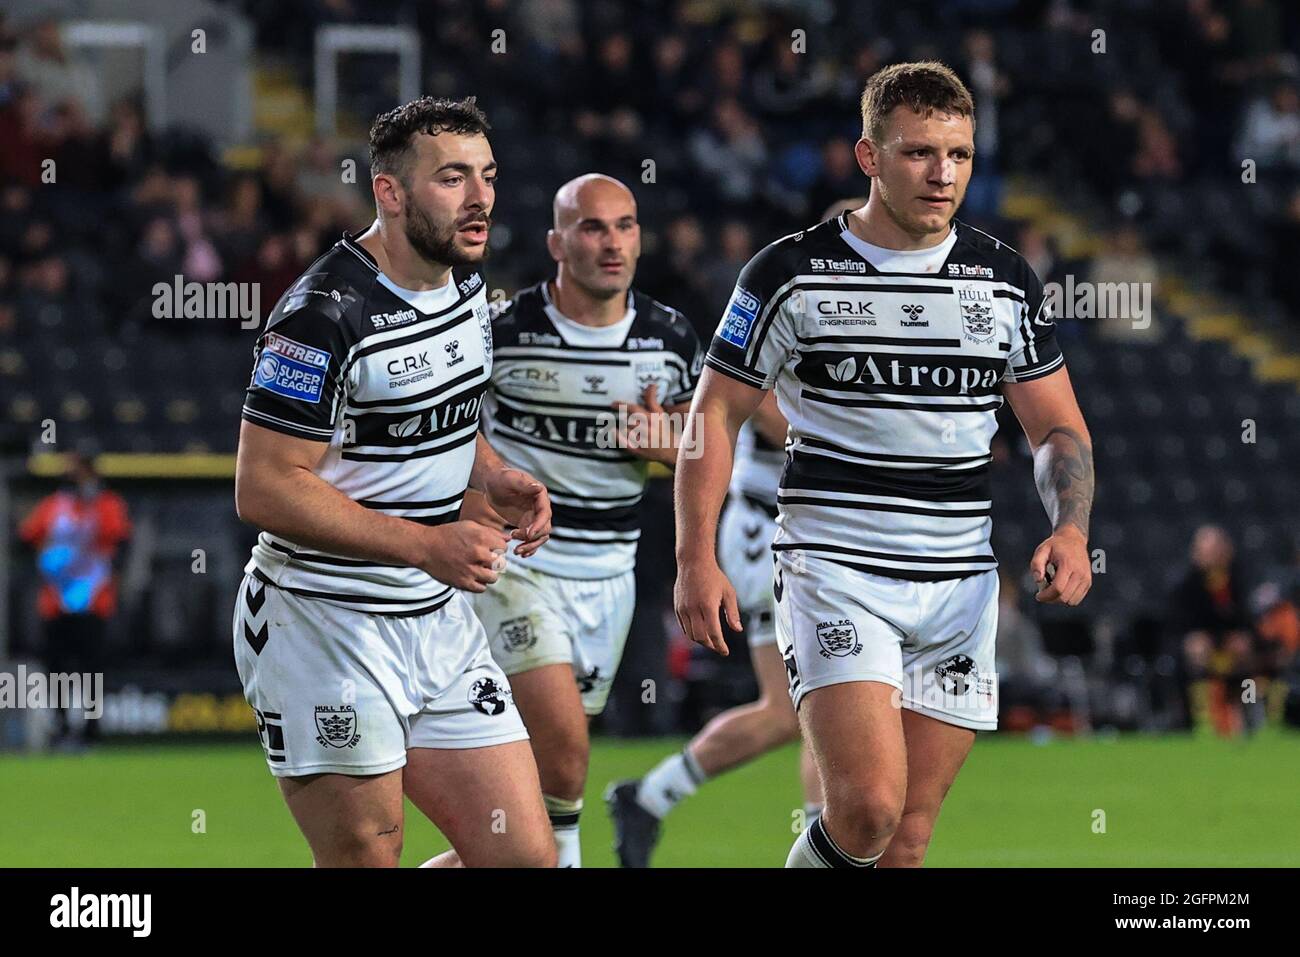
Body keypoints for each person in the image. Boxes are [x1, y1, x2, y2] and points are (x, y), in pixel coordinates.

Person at [673, 61, 1095, 868]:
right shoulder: (787, 272)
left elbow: (1057, 431)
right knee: (864, 808)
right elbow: (713, 413)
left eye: (959, 155)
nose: (943, 174)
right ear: (868, 157)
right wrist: (696, 555)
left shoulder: (1002, 281)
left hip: (959, 582)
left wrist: (1070, 527)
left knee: (905, 841)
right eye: (918, 153)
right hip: (837, 567)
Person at [232, 96, 555, 868]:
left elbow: (441, 413)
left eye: (488, 176)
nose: (480, 198)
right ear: (390, 192)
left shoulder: (466, 285)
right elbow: (266, 487)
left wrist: (495, 474)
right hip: (323, 625)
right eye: (452, 178)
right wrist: (425, 545)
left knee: (525, 858)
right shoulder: (321, 314)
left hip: (435, 621)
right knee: (367, 857)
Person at [458, 174, 703, 867]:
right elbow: (449, 429)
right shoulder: (503, 332)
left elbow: (708, 444)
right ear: (556, 242)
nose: (612, 242)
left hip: (609, 577)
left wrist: (666, 444)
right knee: (567, 753)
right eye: (592, 227)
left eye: (625, 226)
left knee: (532, 808)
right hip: (516, 567)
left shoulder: (668, 336)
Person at [606, 392, 824, 866]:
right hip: (774, 531)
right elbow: (774, 419)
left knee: (787, 711)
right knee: (826, 707)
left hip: (790, 532)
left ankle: (648, 797)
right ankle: (828, 852)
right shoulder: (797, 327)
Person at [18, 451, 130, 748]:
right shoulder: (54, 506)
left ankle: (91, 731)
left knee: (91, 669)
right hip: (55, 600)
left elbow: (119, 544)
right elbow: (25, 538)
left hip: (93, 599)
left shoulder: (108, 505)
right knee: (55, 668)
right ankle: (61, 726)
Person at [1172, 525, 1255, 736]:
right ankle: (1202, 718)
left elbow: (1245, 617)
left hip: (1228, 644)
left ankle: (1246, 713)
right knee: (1197, 647)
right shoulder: (1186, 583)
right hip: (1201, 643)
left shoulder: (1237, 579)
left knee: (1244, 649)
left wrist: (1239, 636)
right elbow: (1182, 623)